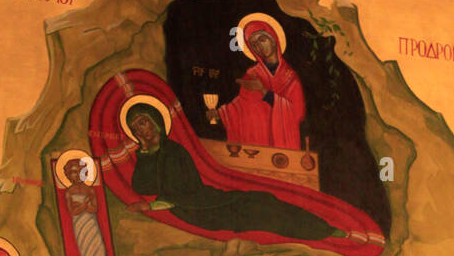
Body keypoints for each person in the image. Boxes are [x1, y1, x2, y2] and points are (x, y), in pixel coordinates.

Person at [127, 103, 343, 242]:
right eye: (136, 128)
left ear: (156, 121)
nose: (140, 130)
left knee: (261, 200)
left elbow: (185, 187)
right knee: (261, 211)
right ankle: (320, 231)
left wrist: (152, 202)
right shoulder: (150, 155)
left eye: (143, 122)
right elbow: (143, 186)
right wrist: (145, 153)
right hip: (198, 211)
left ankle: (322, 227)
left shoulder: (174, 150)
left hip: (203, 200)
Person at [214, 20, 305, 148]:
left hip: (282, 144)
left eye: (262, 39)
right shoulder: (253, 74)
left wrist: (263, 90)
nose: (260, 46)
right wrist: (221, 113)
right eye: (254, 44)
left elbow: (297, 112)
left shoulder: (290, 77)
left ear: (273, 38)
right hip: (258, 141)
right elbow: (242, 105)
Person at [62, 157, 107, 256]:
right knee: (84, 240)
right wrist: (85, 204)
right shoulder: (69, 192)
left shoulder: (90, 190)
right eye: (74, 172)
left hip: (91, 221)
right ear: (68, 175)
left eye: (81, 171)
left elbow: (95, 209)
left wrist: (82, 206)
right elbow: (73, 211)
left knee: (94, 239)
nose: (78, 175)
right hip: (79, 223)